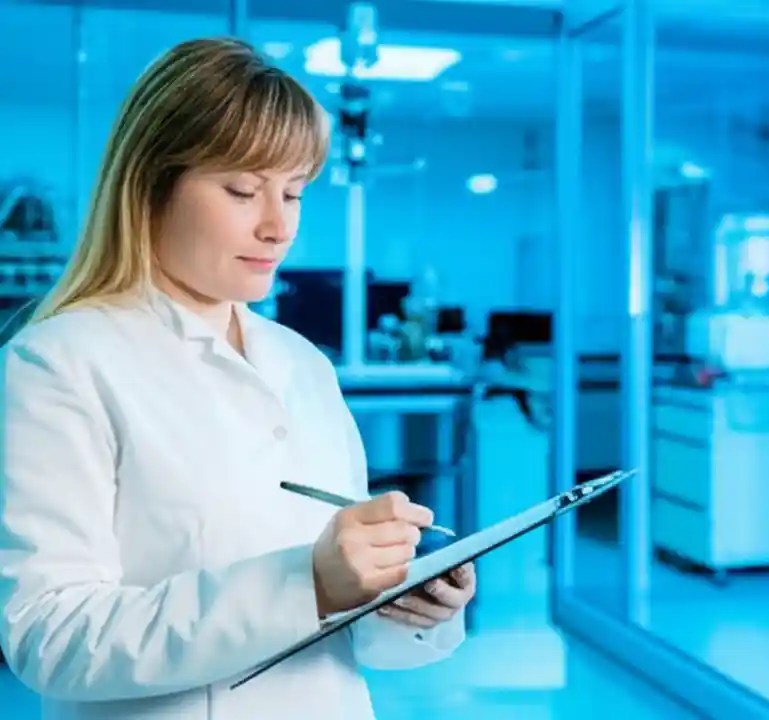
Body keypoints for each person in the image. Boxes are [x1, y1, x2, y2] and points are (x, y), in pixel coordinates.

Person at [0, 37, 475, 719]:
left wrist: (401, 594)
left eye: (295, 193)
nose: (279, 226)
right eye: (243, 191)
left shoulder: (302, 364)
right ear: (151, 185)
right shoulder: (59, 362)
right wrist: (307, 581)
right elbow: (51, 637)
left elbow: (345, 636)